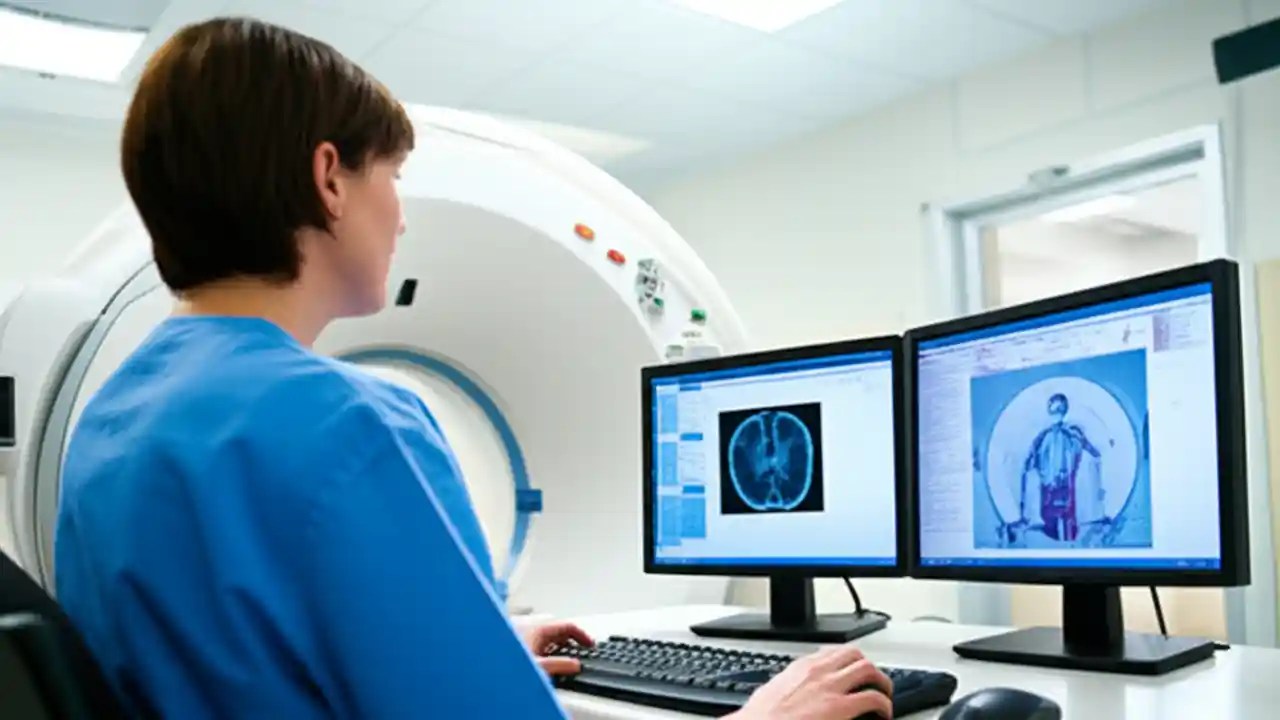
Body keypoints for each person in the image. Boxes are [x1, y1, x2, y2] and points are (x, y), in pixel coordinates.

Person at [52, 16, 894, 720]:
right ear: (329, 180)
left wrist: (482, 645)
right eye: (393, 176)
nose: (402, 217)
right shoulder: (349, 421)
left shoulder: (111, 423)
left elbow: (233, 651)